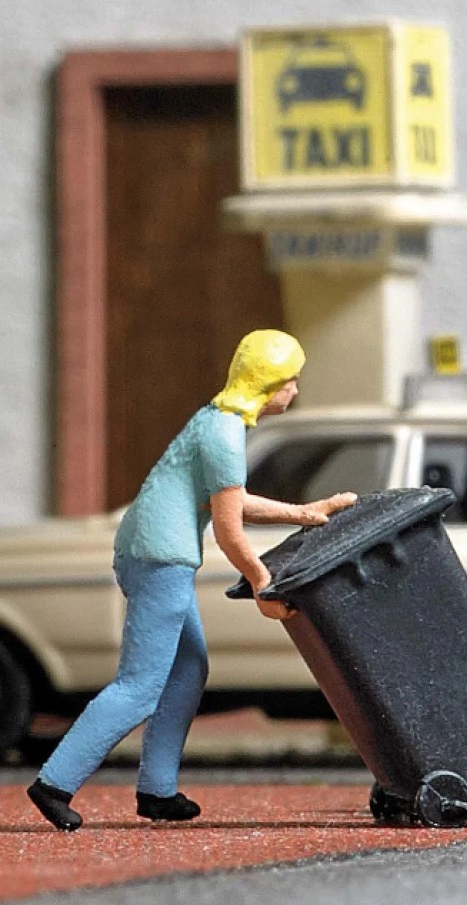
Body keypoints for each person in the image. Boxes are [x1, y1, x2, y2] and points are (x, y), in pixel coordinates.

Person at [26, 330, 356, 831]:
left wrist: (303, 513)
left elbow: (231, 500)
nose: (294, 390)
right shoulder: (224, 435)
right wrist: (264, 586)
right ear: (268, 385)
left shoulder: (220, 422)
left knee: (187, 671)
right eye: (290, 381)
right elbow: (228, 530)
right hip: (161, 560)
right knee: (140, 685)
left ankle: (157, 789)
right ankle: (55, 783)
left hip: (153, 551)